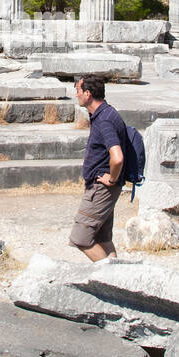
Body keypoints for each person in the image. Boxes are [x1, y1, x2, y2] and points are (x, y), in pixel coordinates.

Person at [68, 75, 127, 261]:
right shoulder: (105, 113)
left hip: (101, 189)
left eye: (78, 90)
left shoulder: (104, 121)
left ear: (88, 93)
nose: (75, 94)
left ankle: (112, 279)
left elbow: (117, 158)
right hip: (105, 189)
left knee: (80, 237)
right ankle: (120, 281)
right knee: (103, 239)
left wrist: (112, 179)